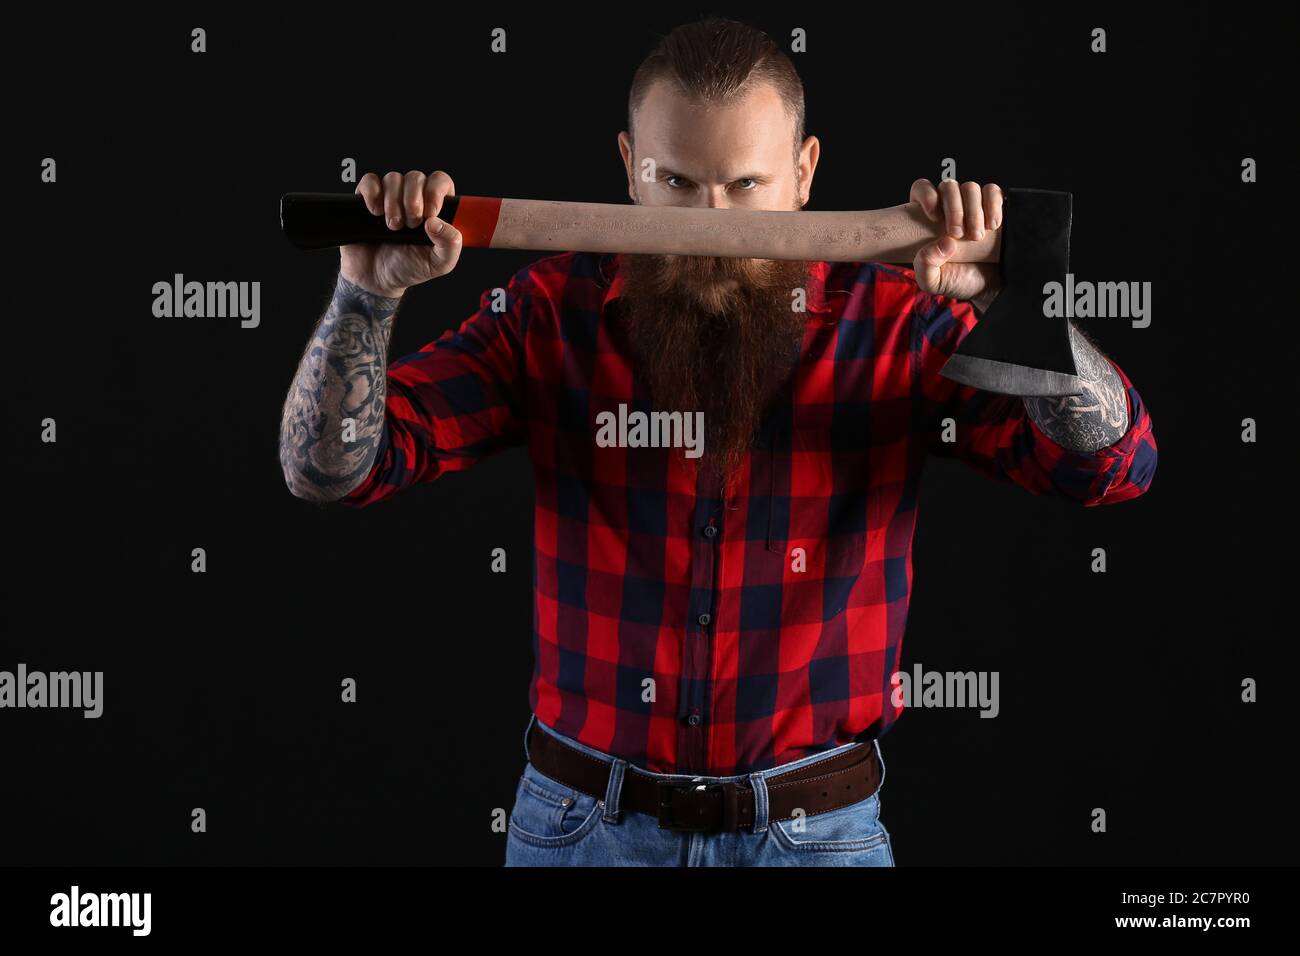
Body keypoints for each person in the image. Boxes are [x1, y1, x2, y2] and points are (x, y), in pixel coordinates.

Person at [277, 17, 1156, 867]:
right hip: (582, 835)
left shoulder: (901, 326)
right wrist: (367, 294)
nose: (711, 222)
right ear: (629, 168)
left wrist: (1021, 307)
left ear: (804, 173)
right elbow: (332, 472)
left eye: (744, 186)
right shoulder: (548, 314)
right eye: (676, 183)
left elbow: (1111, 468)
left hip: (821, 840)